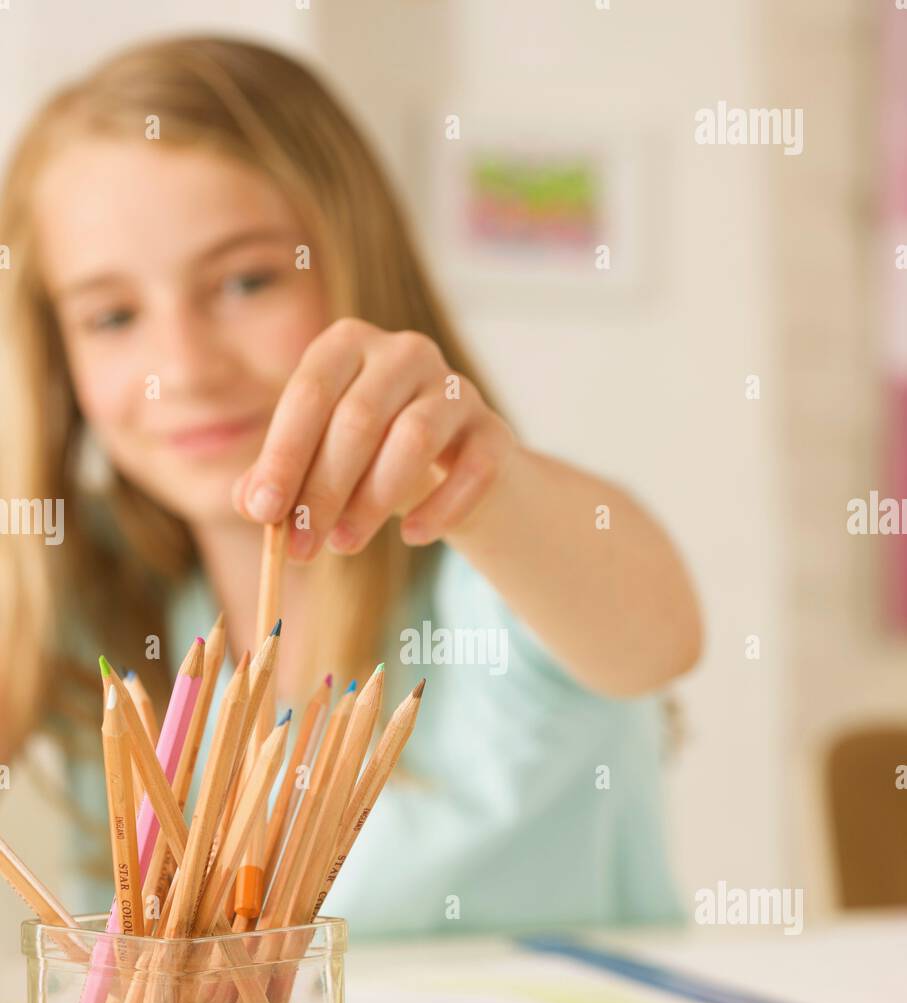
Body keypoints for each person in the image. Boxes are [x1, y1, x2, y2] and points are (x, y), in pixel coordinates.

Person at [0, 36, 701, 935]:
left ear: (360, 266)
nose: (181, 367)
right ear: (56, 359)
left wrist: (484, 486)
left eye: (247, 281)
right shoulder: (88, 585)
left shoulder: (484, 561)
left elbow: (658, 638)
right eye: (112, 316)